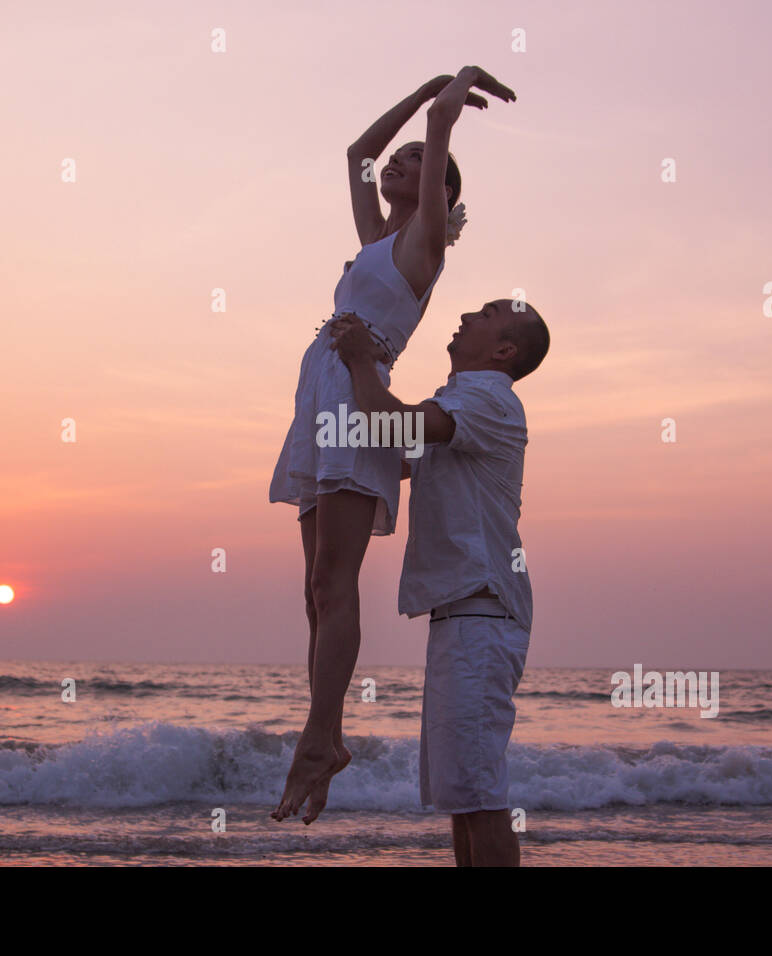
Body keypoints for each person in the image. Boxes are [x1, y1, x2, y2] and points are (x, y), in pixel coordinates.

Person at [270, 68, 517, 823]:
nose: (399, 164)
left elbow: (440, 137)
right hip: (320, 397)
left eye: (416, 162)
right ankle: (328, 732)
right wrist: (419, 93)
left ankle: (320, 736)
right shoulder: (376, 240)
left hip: (356, 398)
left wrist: (454, 98)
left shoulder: (423, 244)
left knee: (335, 582)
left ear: (438, 191)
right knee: (317, 589)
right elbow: (355, 154)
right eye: (402, 158)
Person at [326, 299, 550, 865]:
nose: (469, 314)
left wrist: (357, 361)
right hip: (468, 616)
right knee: (464, 796)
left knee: (479, 797)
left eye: (489, 313)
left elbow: (390, 424)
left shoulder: (488, 397)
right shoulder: (459, 402)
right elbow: (393, 445)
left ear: (504, 350)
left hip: (481, 614)